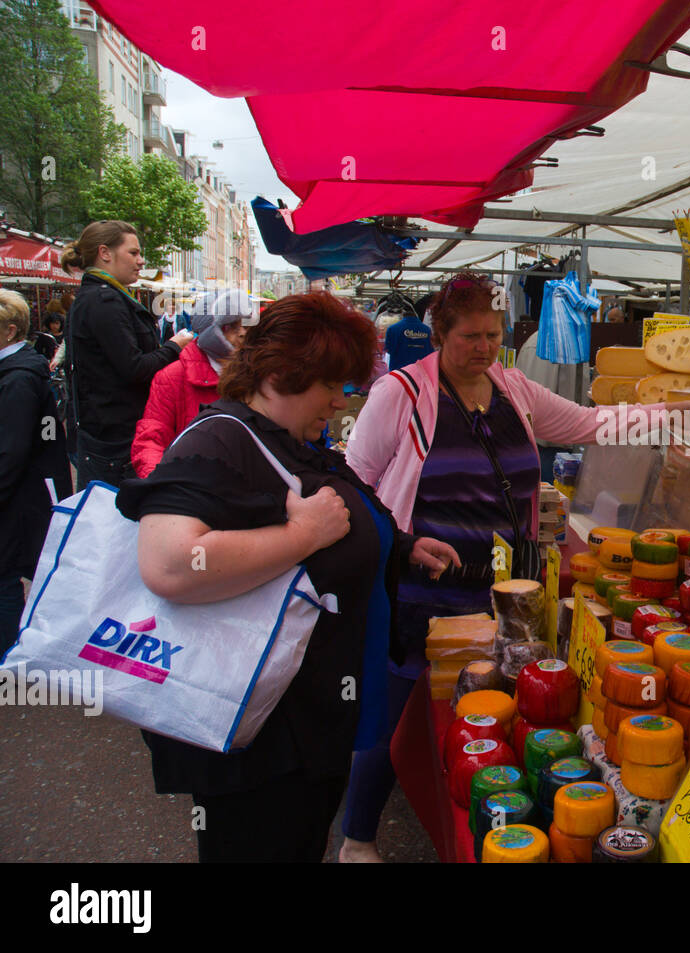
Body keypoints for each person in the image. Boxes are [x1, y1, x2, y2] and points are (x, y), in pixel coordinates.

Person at [339, 272, 690, 862]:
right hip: (426, 593)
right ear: (440, 335)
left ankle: (486, 823)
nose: (483, 348)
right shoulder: (400, 393)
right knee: (397, 713)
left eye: (493, 335)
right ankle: (357, 839)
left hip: (509, 595)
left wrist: (671, 415)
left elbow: (590, 424)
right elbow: (353, 485)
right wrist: (403, 544)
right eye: (469, 337)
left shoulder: (514, 389)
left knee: (493, 713)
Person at [115, 293, 459, 863]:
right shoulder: (220, 439)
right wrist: (302, 536)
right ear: (280, 374)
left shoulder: (286, 438)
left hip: (305, 725)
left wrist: (399, 547)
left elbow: (341, 512)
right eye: (329, 384)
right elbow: (169, 563)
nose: (340, 399)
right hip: (262, 740)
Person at [61, 221, 193, 489]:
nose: (141, 261)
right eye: (133, 253)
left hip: (109, 435)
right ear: (105, 253)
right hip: (115, 441)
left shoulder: (99, 297)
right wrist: (174, 346)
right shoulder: (105, 302)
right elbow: (134, 368)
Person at [0, 290, 72, 653]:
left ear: (10, 330)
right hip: (24, 491)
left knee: (6, 576)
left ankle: (7, 654)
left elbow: (11, 449)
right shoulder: (21, 372)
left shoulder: (17, 379)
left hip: (19, 496)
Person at [131, 289, 253, 478]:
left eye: (245, 325)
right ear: (212, 330)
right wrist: (160, 482)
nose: (243, 333)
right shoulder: (172, 378)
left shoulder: (257, 374)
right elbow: (151, 439)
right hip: (191, 484)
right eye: (231, 326)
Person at [382, 302, 433, 372]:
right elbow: (431, 351)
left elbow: (388, 349)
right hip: (421, 371)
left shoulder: (392, 329)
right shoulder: (427, 330)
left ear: (403, 316)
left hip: (399, 371)